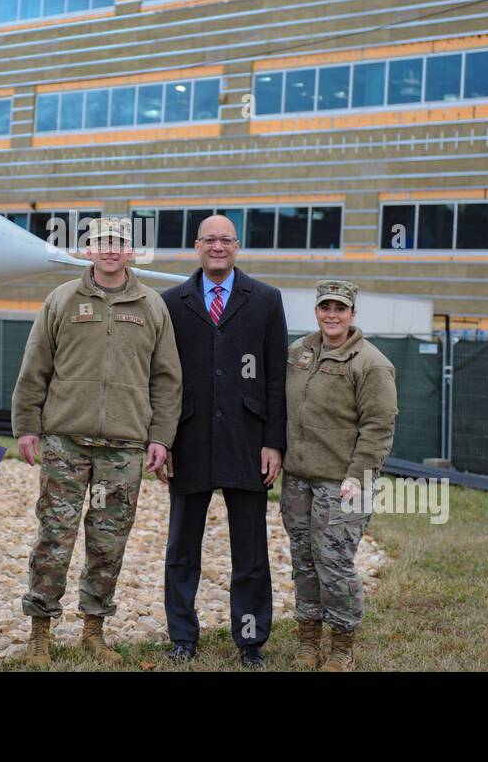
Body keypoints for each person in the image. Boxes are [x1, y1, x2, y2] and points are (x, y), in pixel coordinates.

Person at [13, 216, 181, 666]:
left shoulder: (151, 306)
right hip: (66, 443)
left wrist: (160, 437)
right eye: (101, 242)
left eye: (120, 243)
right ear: (87, 251)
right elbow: (35, 369)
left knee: (108, 543)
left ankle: (93, 631)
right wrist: (27, 425)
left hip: (124, 449)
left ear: (131, 253)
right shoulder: (62, 300)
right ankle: (40, 633)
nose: (110, 249)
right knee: (54, 537)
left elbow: (167, 380)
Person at [159, 215, 288, 667]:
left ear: (238, 247)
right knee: (181, 548)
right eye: (209, 240)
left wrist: (274, 442)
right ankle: (182, 637)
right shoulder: (171, 302)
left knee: (250, 550)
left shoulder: (267, 301)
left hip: (248, 441)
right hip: (188, 438)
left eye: (225, 240)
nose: (217, 246)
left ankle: (250, 639)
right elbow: (162, 377)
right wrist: (164, 439)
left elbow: (276, 377)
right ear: (196, 246)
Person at [282, 279, 397, 671]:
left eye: (340, 309)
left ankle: (341, 647)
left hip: (344, 481)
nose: (332, 315)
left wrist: (358, 475)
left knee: (334, 563)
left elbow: (379, 427)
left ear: (352, 313)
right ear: (316, 310)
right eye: (325, 307)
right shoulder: (298, 353)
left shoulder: (371, 363)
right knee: (304, 561)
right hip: (298, 478)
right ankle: (308, 641)